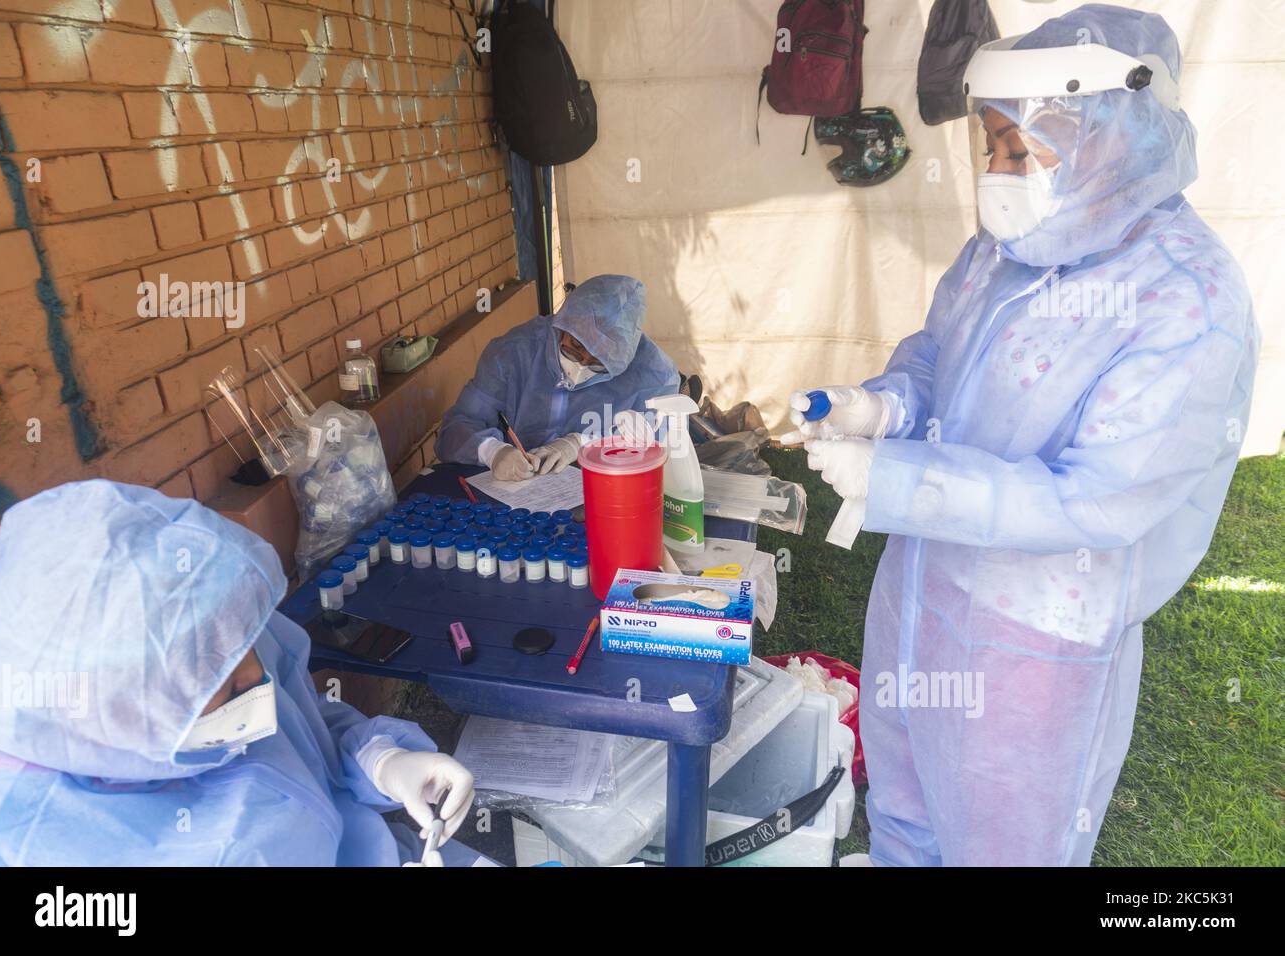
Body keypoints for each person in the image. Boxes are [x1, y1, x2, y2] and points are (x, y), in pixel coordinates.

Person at [790, 4, 1258, 865]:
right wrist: (881, 408)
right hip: (922, 592)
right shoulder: (1008, 247)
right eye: (992, 149)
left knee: (1005, 846)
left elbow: (1096, 501)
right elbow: (938, 359)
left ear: (1109, 138)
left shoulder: (1188, 301)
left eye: (1020, 150)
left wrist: (899, 484)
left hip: (1035, 640)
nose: (998, 174)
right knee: (903, 814)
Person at [0, 480, 479, 867]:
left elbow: (304, 718)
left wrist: (382, 761)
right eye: (219, 680)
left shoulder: (207, 634)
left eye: (244, 642)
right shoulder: (31, 841)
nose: (255, 671)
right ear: (117, 715)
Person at [436, 274, 680, 479]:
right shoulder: (513, 353)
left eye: (597, 363)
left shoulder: (654, 375)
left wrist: (583, 443)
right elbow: (456, 427)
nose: (581, 364)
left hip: (607, 498)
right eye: (574, 346)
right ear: (565, 324)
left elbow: (657, 447)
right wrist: (492, 451)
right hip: (518, 494)